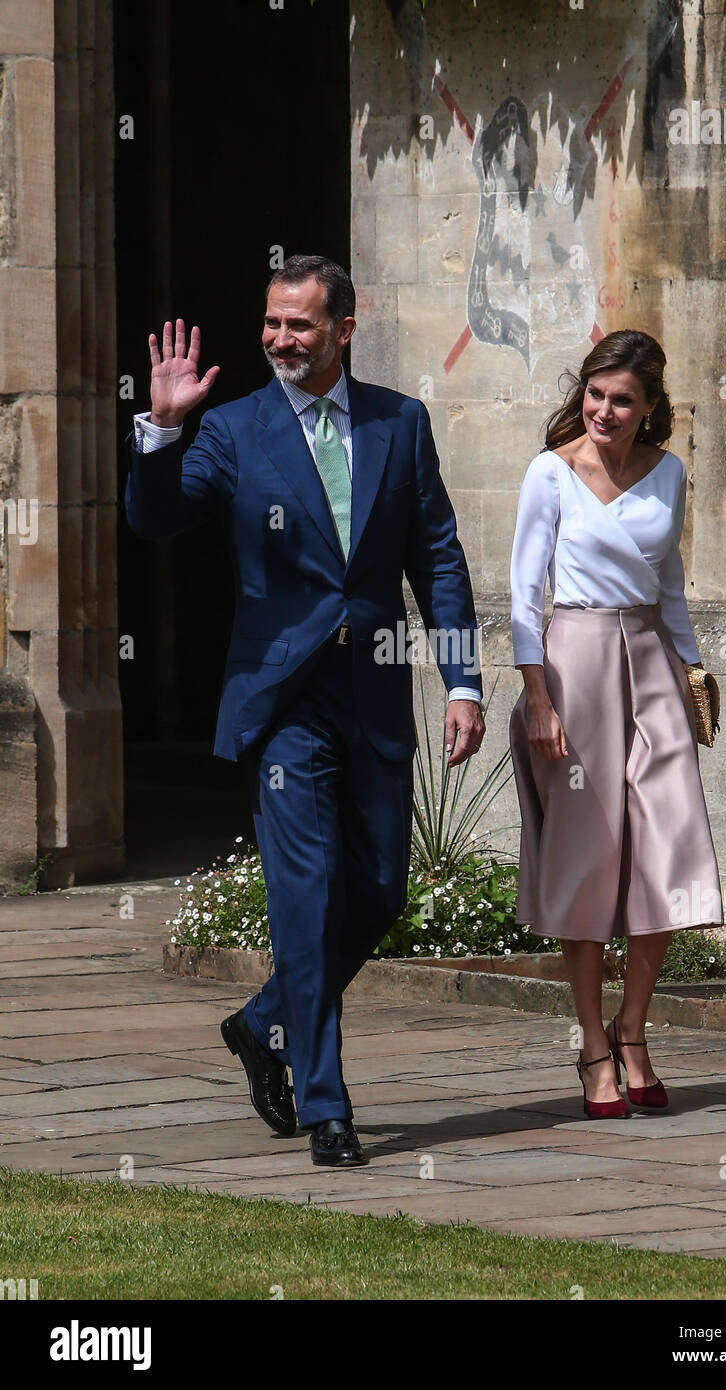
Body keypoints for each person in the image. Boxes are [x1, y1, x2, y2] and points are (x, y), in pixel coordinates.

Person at [126, 254, 484, 1166]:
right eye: (272, 323)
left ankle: (261, 1021)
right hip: (281, 698)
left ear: (343, 330)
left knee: (379, 891)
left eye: (301, 325)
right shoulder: (235, 429)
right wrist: (163, 434)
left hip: (372, 690)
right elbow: (157, 521)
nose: (282, 339)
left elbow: (436, 558)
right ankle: (328, 1108)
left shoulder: (399, 424)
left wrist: (463, 680)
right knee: (305, 894)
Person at [508, 329, 722, 1119]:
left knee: (671, 845)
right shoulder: (549, 473)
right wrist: (538, 698)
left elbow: (668, 585)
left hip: (653, 662)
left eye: (621, 399)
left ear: (649, 407)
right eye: (595, 394)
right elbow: (523, 592)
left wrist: (694, 672)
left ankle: (634, 1029)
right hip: (574, 663)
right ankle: (593, 1047)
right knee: (587, 858)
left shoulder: (669, 475)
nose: (604, 410)